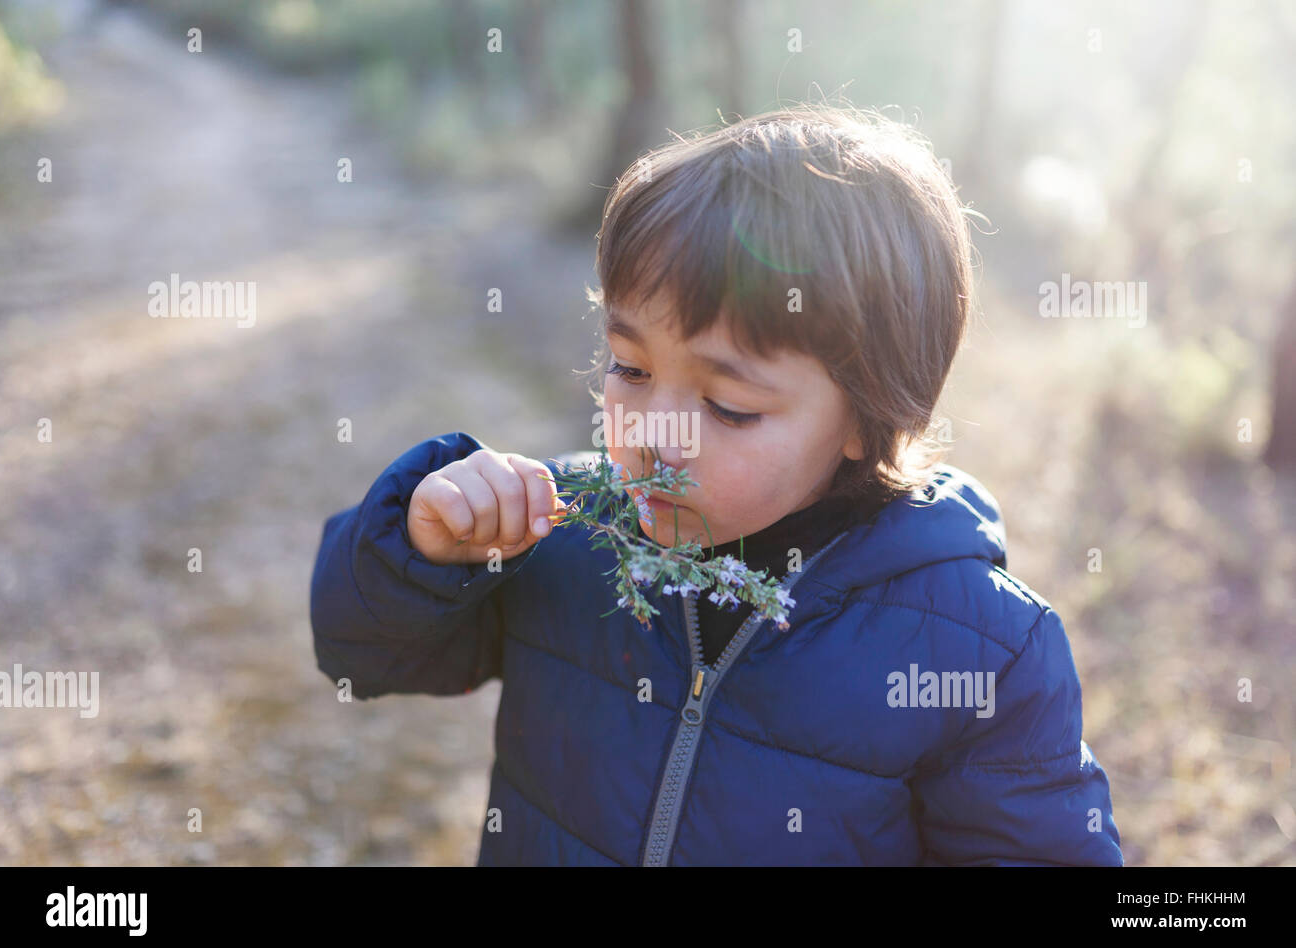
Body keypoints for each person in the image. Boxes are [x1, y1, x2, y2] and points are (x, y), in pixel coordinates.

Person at [309, 103, 1123, 866]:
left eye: (728, 406)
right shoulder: (562, 533)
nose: (653, 435)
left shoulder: (977, 649)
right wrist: (421, 551)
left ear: (865, 419)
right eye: (629, 367)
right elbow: (358, 654)